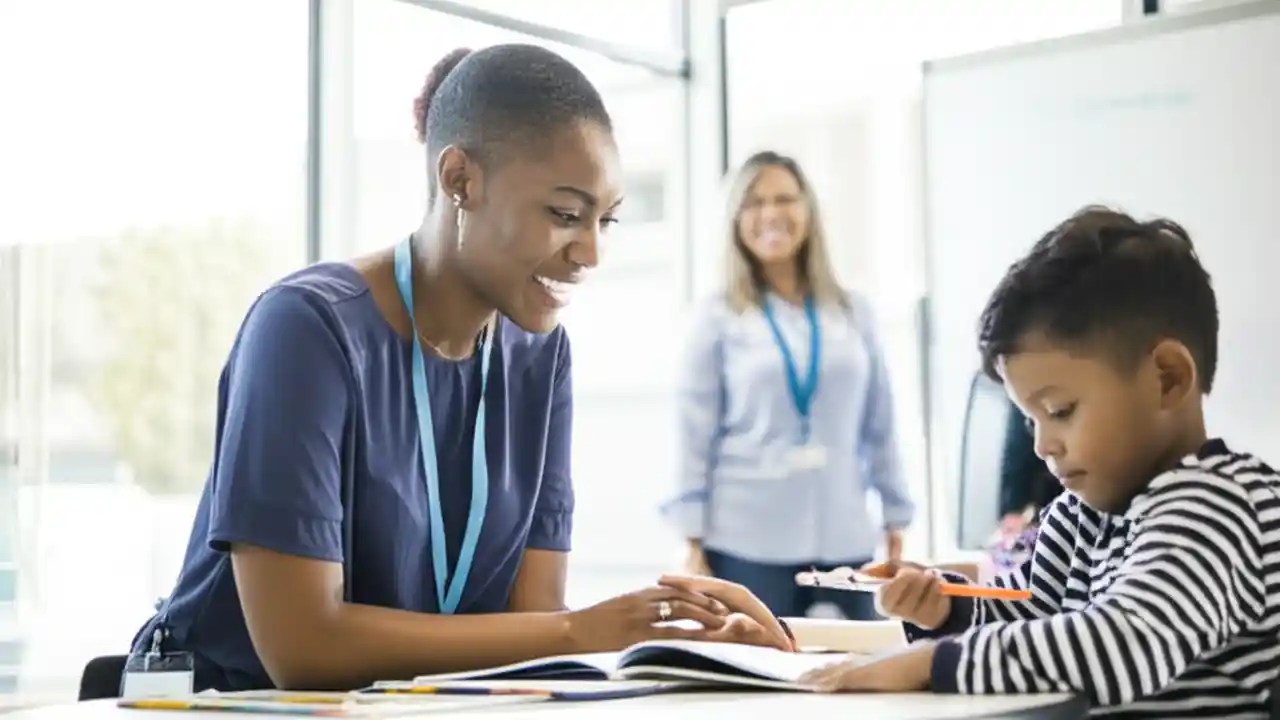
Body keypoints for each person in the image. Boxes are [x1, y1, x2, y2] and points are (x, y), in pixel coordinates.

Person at [128, 45, 791, 693]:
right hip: (227, 704)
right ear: (460, 180)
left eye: (607, 220)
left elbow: (529, 628)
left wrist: (669, 639)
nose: (591, 252)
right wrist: (587, 631)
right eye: (565, 215)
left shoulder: (541, 354)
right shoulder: (305, 328)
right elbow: (304, 649)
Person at [801, 207, 1280, 717]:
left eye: (1060, 412)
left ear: (1167, 379)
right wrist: (949, 606)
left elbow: (1124, 642)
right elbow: (1030, 612)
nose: (1042, 446)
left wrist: (931, 662)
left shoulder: (1217, 506)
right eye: (1031, 421)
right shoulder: (1081, 514)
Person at [664, 151, 915, 621]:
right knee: (762, 679)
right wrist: (690, 540)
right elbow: (692, 434)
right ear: (736, 218)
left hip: (847, 534)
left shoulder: (853, 312)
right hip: (746, 540)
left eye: (784, 199)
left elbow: (881, 423)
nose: (771, 213)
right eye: (754, 202)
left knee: (865, 671)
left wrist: (896, 515)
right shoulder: (717, 316)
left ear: (808, 211)